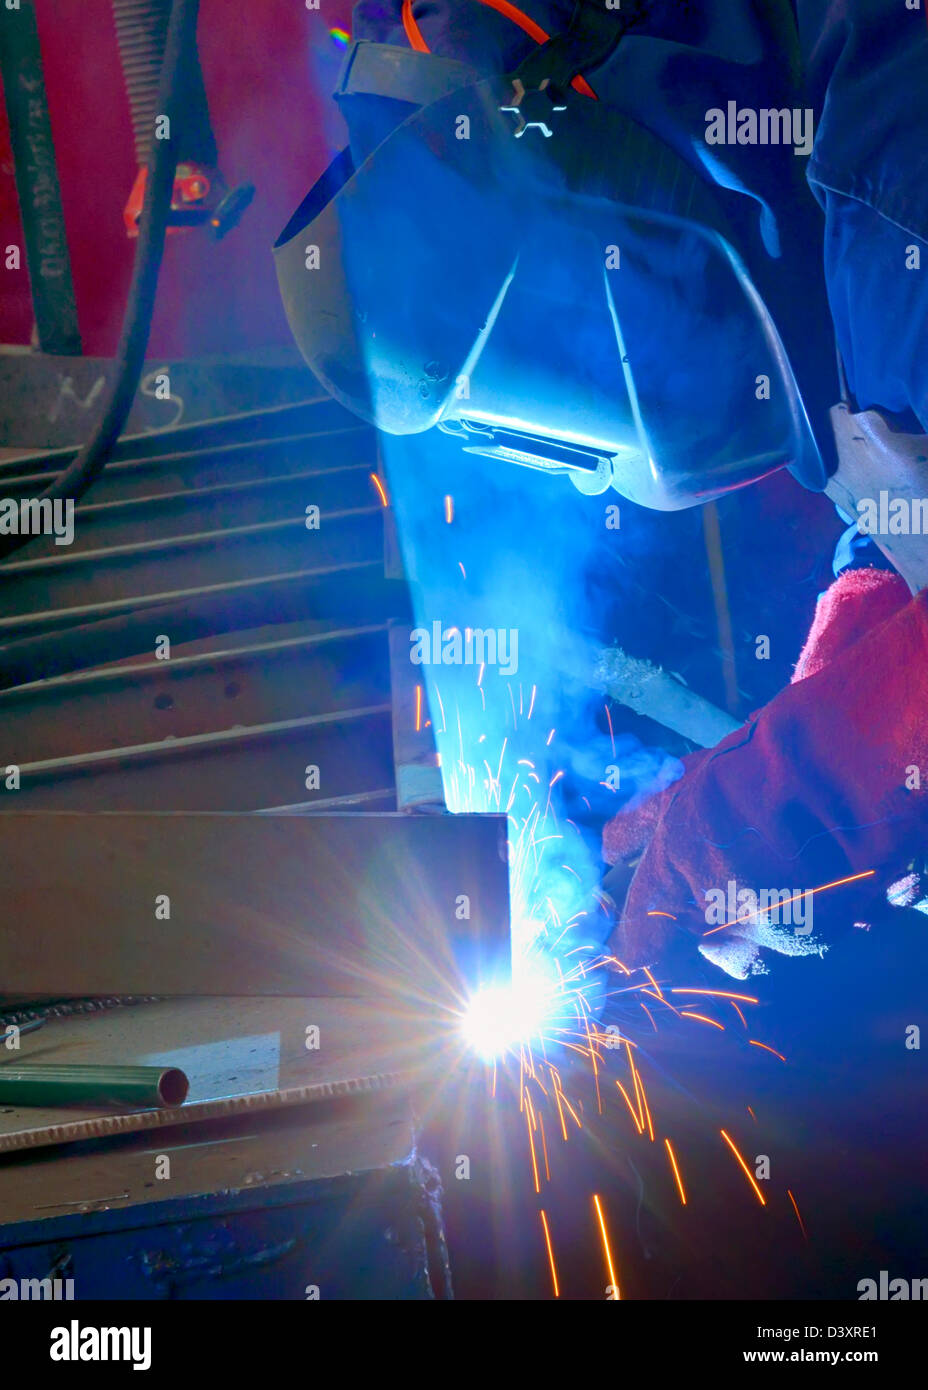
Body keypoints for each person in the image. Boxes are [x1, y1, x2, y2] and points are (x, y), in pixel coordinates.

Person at [274, 0, 928, 977]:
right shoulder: (831, 224)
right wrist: (864, 623)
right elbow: (897, 469)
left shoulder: (891, 181)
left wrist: (773, 802)